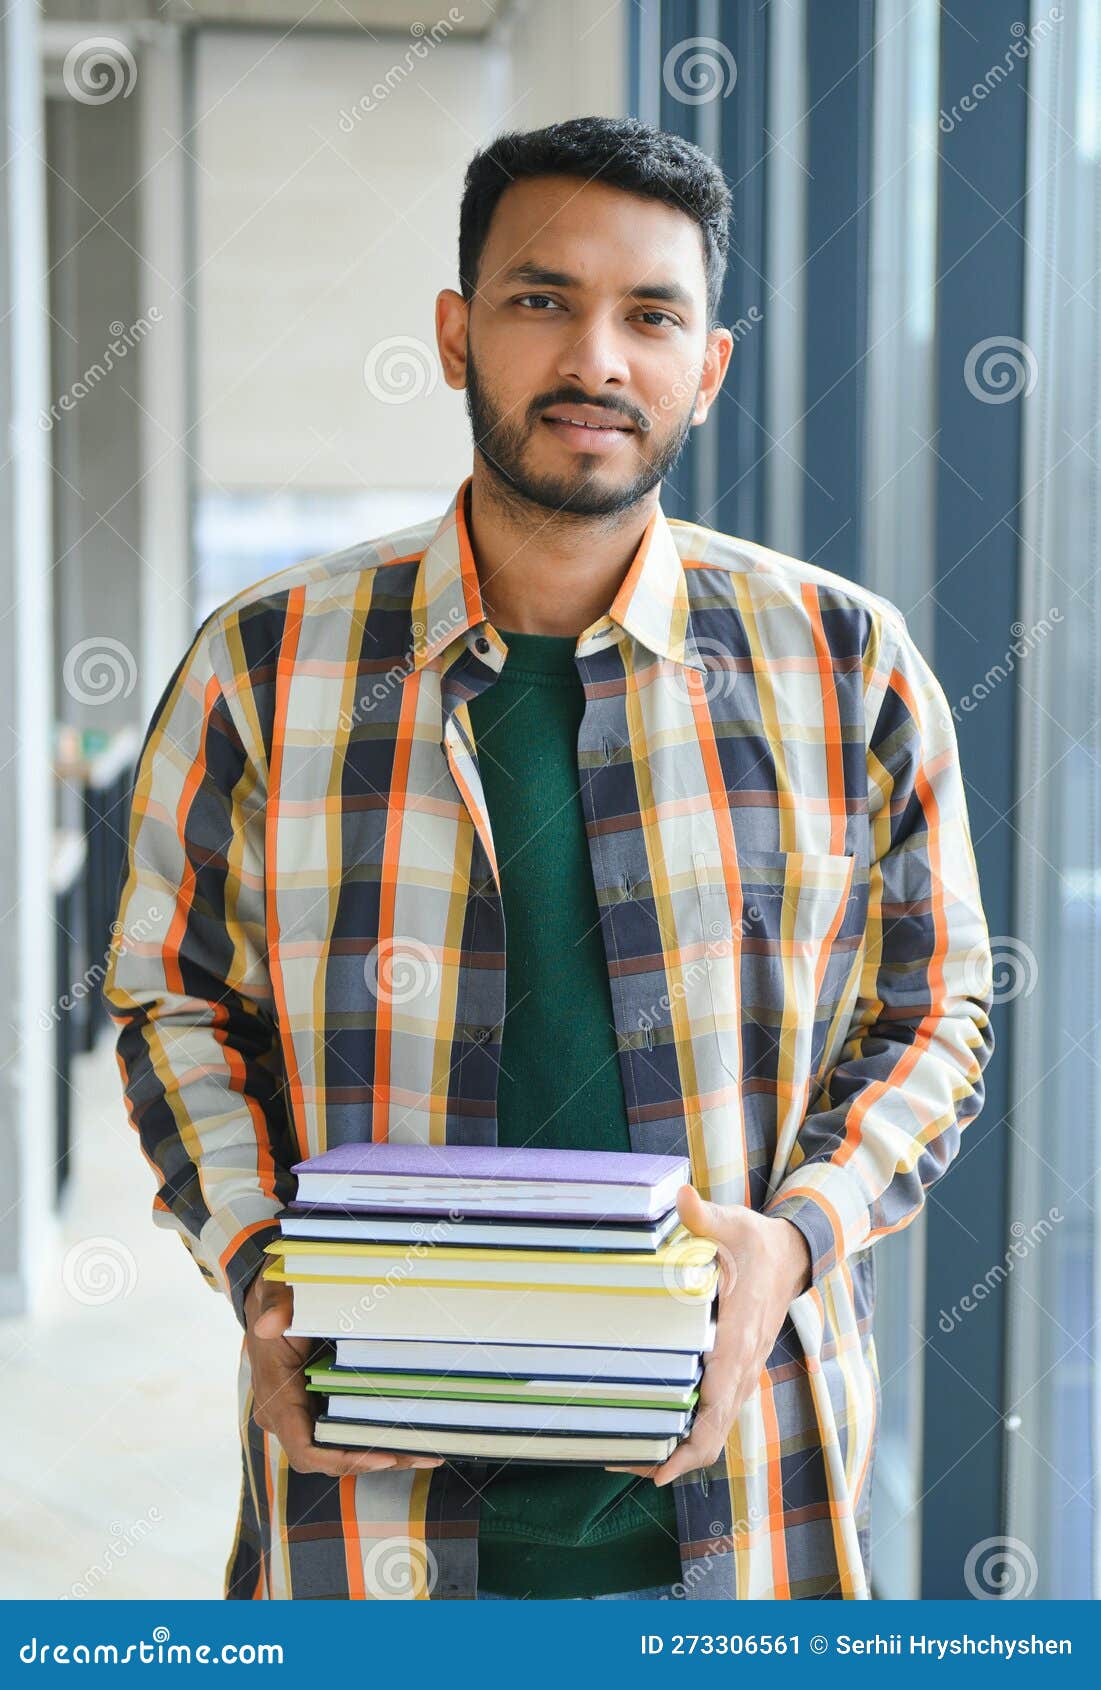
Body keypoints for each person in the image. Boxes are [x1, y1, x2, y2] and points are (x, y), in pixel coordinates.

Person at [104, 115, 995, 1602]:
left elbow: (935, 1014)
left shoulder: (847, 665)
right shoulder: (263, 663)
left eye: (650, 314)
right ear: (456, 335)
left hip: (745, 1506)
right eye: (541, 299)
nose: (596, 357)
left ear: (705, 367)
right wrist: (263, 1261)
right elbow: (168, 999)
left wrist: (792, 1238)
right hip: (367, 1510)